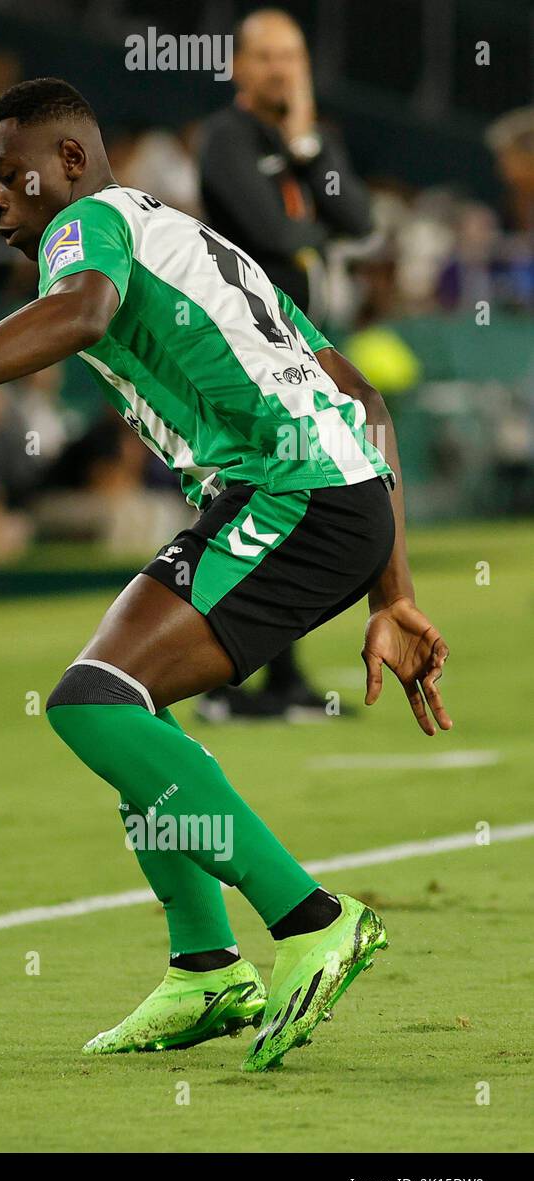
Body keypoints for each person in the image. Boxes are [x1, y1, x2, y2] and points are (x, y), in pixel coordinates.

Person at [0, 79, 450, 1071]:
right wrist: (391, 592)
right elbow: (362, 401)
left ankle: (312, 918)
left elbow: (83, 316)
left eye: (8, 178)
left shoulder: (87, 226)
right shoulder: (185, 240)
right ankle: (204, 967)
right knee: (120, 698)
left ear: (68, 161)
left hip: (289, 493)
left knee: (93, 704)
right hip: (319, 493)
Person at [197, 7, 375, 720]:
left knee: (293, 496)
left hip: (297, 349)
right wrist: (312, 223)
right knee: (249, 496)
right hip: (241, 345)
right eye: (267, 57)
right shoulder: (225, 137)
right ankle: (212, 677)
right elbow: (270, 230)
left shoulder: (310, 141)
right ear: (239, 67)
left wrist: (305, 144)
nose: (281, 70)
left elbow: (358, 221)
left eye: (292, 57)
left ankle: (277, 680)